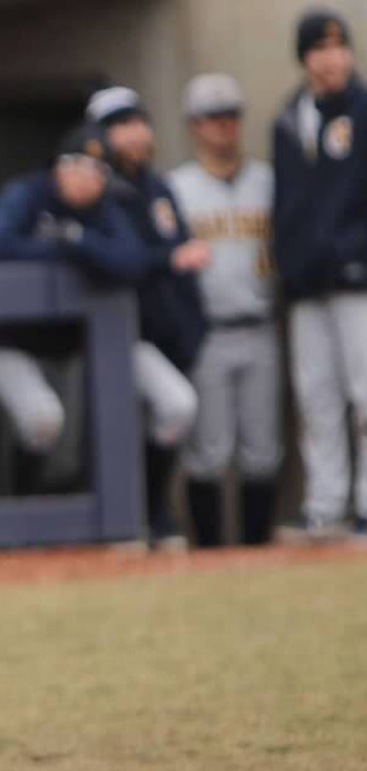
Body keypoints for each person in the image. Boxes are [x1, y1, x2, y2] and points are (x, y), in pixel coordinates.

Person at [0, 125, 194, 510]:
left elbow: (132, 262)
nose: (82, 176)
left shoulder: (107, 207)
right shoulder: (26, 194)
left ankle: (146, 513)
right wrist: (74, 253)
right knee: (43, 421)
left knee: (172, 407)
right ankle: (19, 517)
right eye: (74, 165)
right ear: (56, 167)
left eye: (95, 169)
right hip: (10, 339)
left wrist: (74, 239)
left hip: (75, 343)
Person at [87, 85, 207, 547]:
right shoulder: (100, 190)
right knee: (172, 406)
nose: (132, 135)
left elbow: (179, 256)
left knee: (171, 416)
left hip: (167, 331)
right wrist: (168, 259)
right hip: (120, 331)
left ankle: (149, 511)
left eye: (137, 123)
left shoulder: (157, 186)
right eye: (119, 126)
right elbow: (132, 259)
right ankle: (141, 512)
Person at [167, 75, 283, 547]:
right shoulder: (176, 188)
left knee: (263, 449)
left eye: (231, 115)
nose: (224, 126)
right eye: (213, 117)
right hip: (208, 329)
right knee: (209, 450)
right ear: (194, 125)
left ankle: (257, 550)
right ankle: (211, 554)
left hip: (261, 324)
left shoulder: (268, 182)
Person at [272, 8, 367, 541]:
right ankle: (325, 505)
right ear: (304, 58)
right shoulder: (289, 118)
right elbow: (287, 205)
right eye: (319, 50)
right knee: (317, 398)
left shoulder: (364, 109)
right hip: (306, 284)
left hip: (358, 278)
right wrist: (292, 264)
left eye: (338, 48)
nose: (330, 60)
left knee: (366, 392)